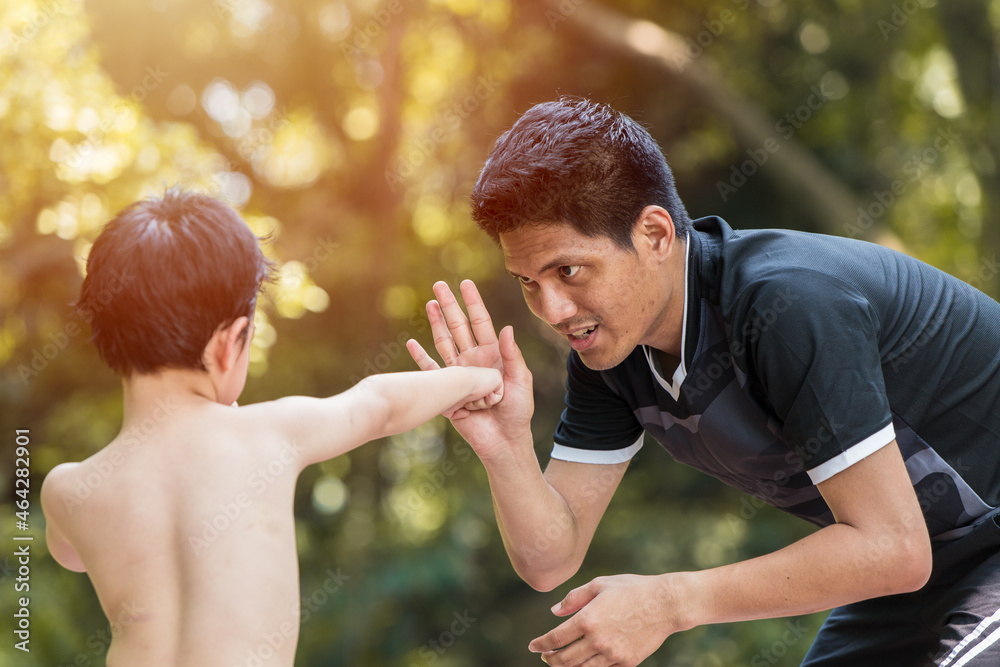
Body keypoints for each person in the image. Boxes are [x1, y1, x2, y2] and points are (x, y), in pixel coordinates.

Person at [406, 97, 1000, 667]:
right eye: (528, 282)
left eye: (569, 270)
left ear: (656, 235)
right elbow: (550, 559)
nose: (554, 309)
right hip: (935, 568)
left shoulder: (788, 306)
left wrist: (671, 602)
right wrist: (504, 447)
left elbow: (893, 549)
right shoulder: (610, 354)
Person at [40, 189, 503, 667]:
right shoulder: (269, 434)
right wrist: (476, 378)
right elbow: (379, 404)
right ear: (230, 343)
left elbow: (73, 554)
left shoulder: (69, 491)